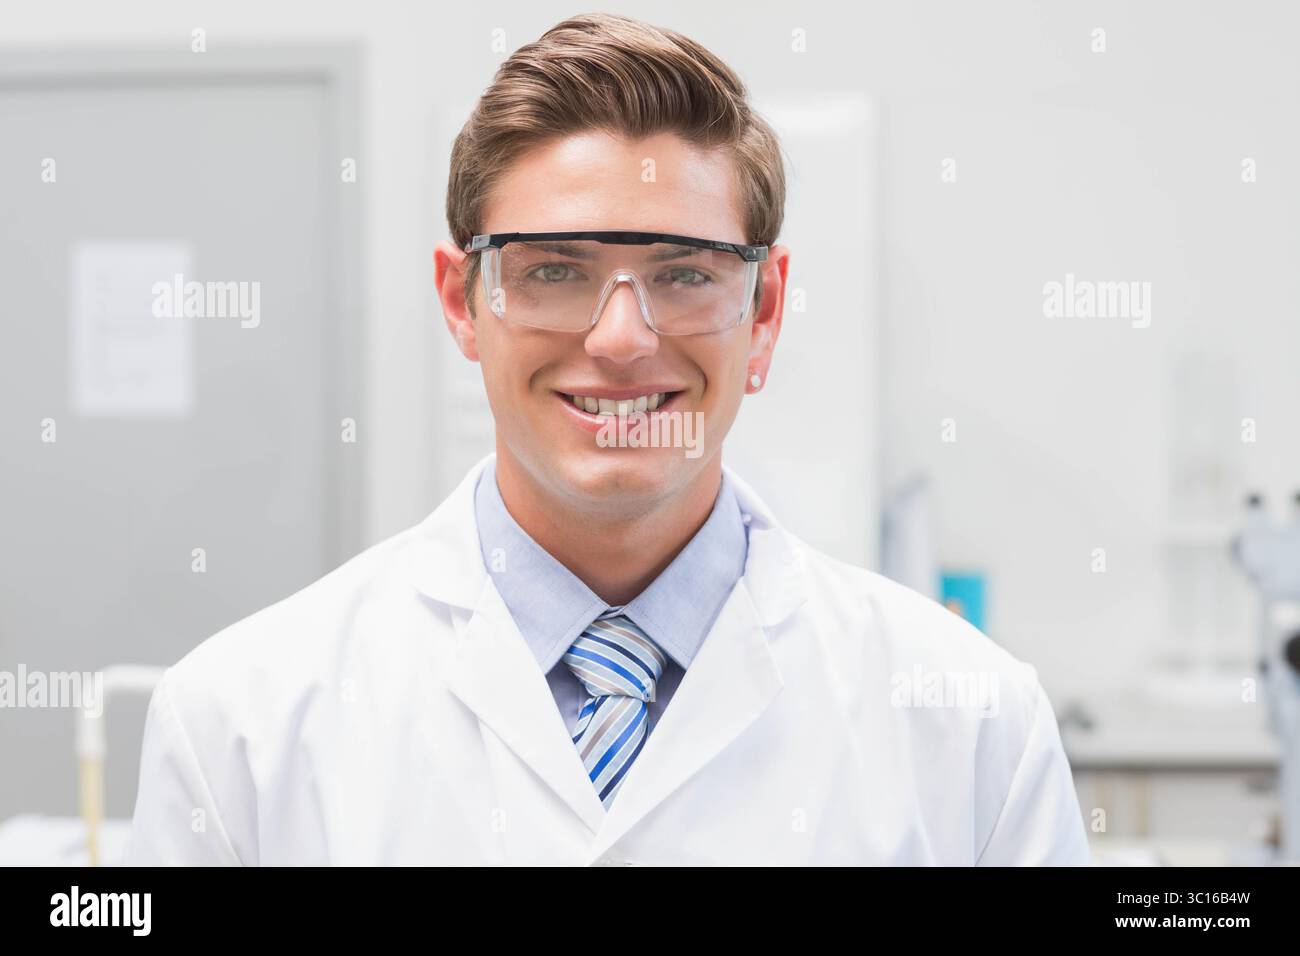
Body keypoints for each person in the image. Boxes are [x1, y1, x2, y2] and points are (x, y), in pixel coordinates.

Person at [126, 12, 1089, 865]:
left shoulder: (971, 725)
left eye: (685, 272)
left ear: (765, 313)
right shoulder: (241, 724)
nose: (622, 338)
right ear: (464, 304)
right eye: (553, 270)